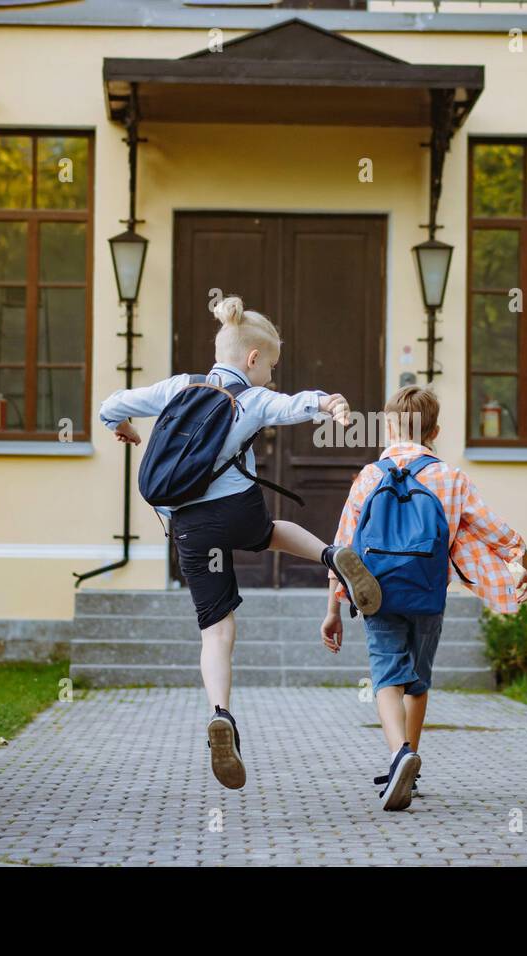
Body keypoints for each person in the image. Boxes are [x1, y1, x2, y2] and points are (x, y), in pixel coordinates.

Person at [98, 294, 382, 790]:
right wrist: (329, 402)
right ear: (252, 358)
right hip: (238, 511)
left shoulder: (178, 387)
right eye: (271, 363)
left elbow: (110, 405)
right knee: (270, 532)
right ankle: (331, 555)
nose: (271, 372)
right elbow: (293, 406)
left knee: (216, 631)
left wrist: (120, 427)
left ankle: (221, 714)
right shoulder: (250, 399)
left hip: (191, 526)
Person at [321, 384, 527, 810]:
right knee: (416, 681)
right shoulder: (451, 478)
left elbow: (342, 547)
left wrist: (332, 608)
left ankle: (400, 754)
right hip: (427, 592)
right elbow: (493, 528)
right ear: (435, 430)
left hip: (375, 593)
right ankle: (410, 765)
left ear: (387, 426)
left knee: (386, 677)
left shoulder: (368, 476)